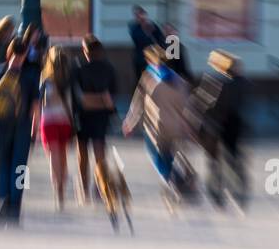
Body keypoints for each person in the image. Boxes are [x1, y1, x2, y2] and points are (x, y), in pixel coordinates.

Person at [123, 44, 195, 208]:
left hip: (156, 128)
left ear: (150, 59)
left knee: (156, 156)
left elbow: (137, 104)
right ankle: (180, 179)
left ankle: (172, 182)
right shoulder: (179, 81)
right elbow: (188, 106)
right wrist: (188, 126)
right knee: (168, 155)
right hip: (176, 127)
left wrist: (129, 122)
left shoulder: (148, 77)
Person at [0, 36, 42, 225]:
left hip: (2, 124)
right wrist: (35, 131)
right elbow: (36, 106)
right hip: (23, 126)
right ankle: (15, 207)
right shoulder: (30, 74)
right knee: (20, 168)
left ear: (9, 51)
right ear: (25, 53)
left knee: (1, 166)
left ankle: (1, 203)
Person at [191, 50, 248, 212]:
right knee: (233, 160)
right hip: (233, 126)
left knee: (214, 163)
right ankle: (238, 192)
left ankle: (217, 194)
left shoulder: (213, 81)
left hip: (212, 128)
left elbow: (198, 105)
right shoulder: (242, 83)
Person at [71, 35, 116, 205]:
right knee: (100, 155)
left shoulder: (78, 68)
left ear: (85, 50)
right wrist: (101, 100)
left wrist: (88, 100)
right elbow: (109, 99)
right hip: (101, 117)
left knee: (82, 155)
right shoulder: (109, 69)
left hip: (82, 117)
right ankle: (100, 189)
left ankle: (84, 189)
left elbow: (80, 99)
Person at [37, 45, 76, 210]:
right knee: (63, 157)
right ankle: (61, 188)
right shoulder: (68, 80)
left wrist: (35, 126)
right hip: (65, 121)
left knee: (53, 158)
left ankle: (57, 191)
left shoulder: (45, 81)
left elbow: (39, 103)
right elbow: (71, 104)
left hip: (49, 122)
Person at [128, 6, 166, 85]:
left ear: (145, 14)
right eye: (137, 15)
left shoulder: (152, 26)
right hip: (140, 58)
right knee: (140, 81)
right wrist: (146, 31)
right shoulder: (134, 27)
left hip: (152, 58)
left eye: (141, 14)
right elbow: (137, 39)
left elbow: (160, 39)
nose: (139, 17)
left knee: (153, 80)